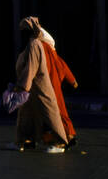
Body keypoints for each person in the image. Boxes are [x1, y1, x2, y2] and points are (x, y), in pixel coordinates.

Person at [13, 16, 67, 153]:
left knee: (50, 113)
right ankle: (25, 141)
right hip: (32, 88)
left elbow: (31, 67)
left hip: (39, 85)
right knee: (26, 115)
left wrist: (22, 86)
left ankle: (60, 143)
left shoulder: (34, 44)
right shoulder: (30, 44)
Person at [38, 25, 78, 148]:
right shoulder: (52, 52)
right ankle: (65, 135)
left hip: (47, 85)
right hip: (53, 85)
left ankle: (64, 136)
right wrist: (73, 82)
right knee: (59, 110)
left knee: (53, 112)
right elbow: (64, 67)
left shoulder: (41, 48)